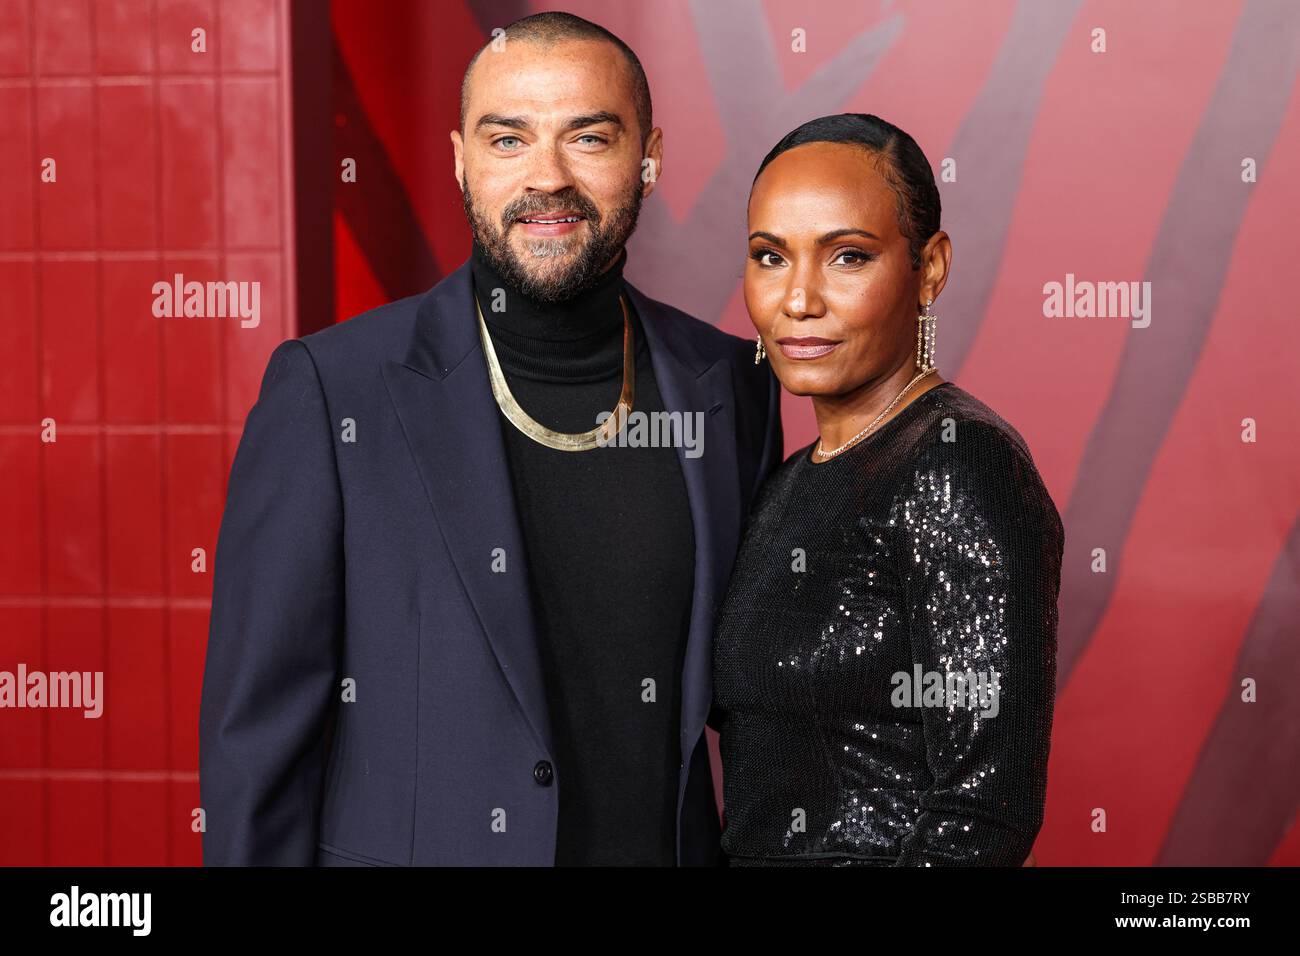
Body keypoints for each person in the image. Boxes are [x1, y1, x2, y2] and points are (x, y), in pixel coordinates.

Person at [199, 11, 781, 867]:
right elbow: (258, 746)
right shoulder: (331, 392)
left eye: (588, 136)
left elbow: (766, 707)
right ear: (460, 159)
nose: (547, 176)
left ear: (649, 157)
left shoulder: (733, 385)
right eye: (507, 140)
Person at [711, 113, 1062, 866]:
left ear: (929, 267)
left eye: (847, 257)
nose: (798, 300)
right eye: (770, 257)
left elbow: (983, 815)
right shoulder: (788, 480)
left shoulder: (959, 465)